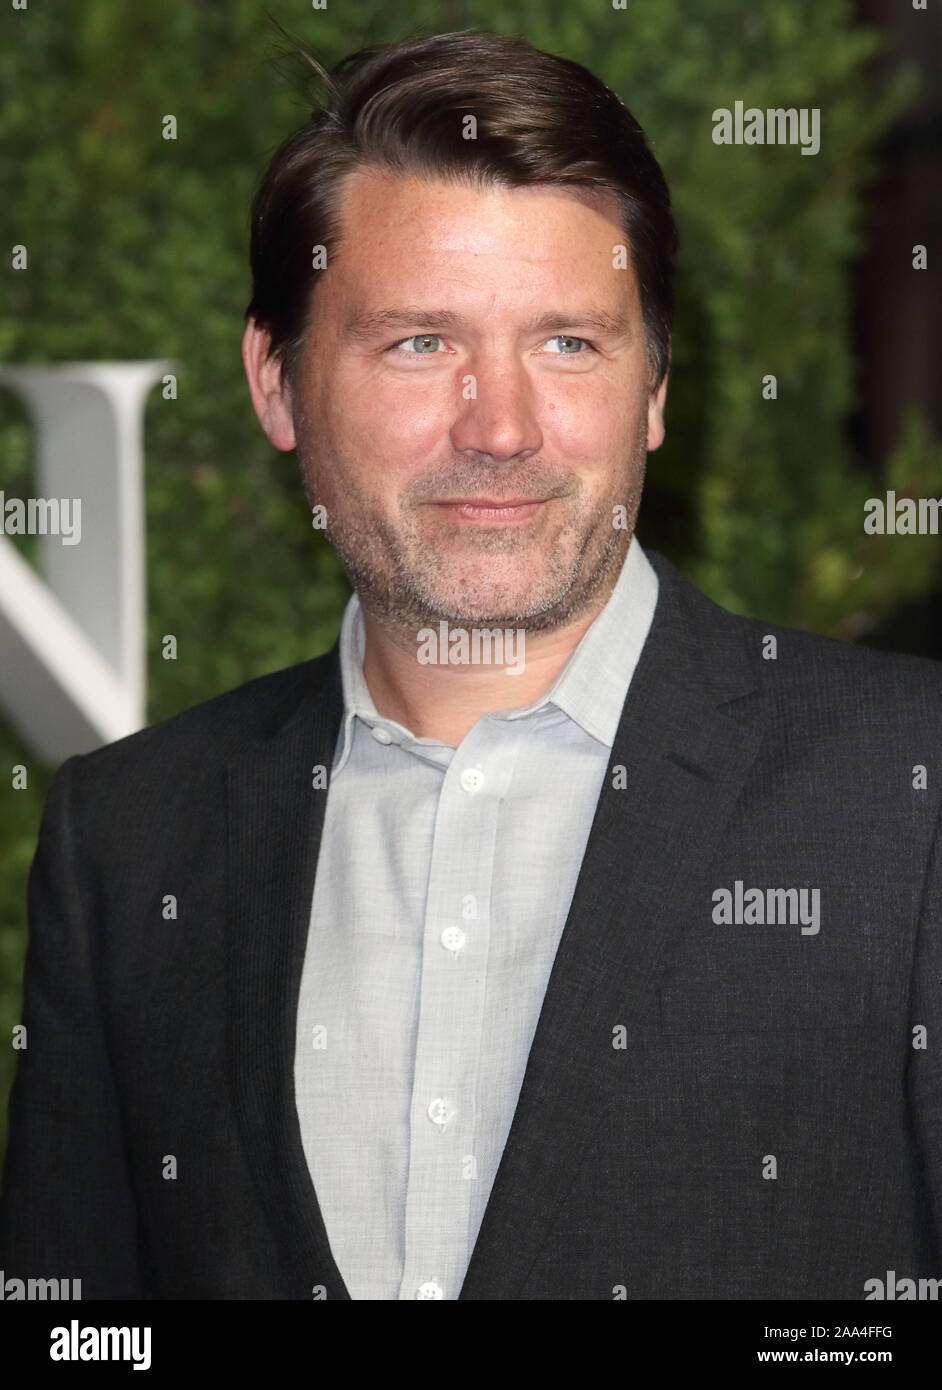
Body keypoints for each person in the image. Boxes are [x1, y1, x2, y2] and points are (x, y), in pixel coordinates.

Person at [1, 28, 940, 1302]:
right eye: (417, 343)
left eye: (567, 344)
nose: (499, 428)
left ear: (656, 385)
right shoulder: (131, 841)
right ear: (275, 383)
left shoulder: (907, 795)